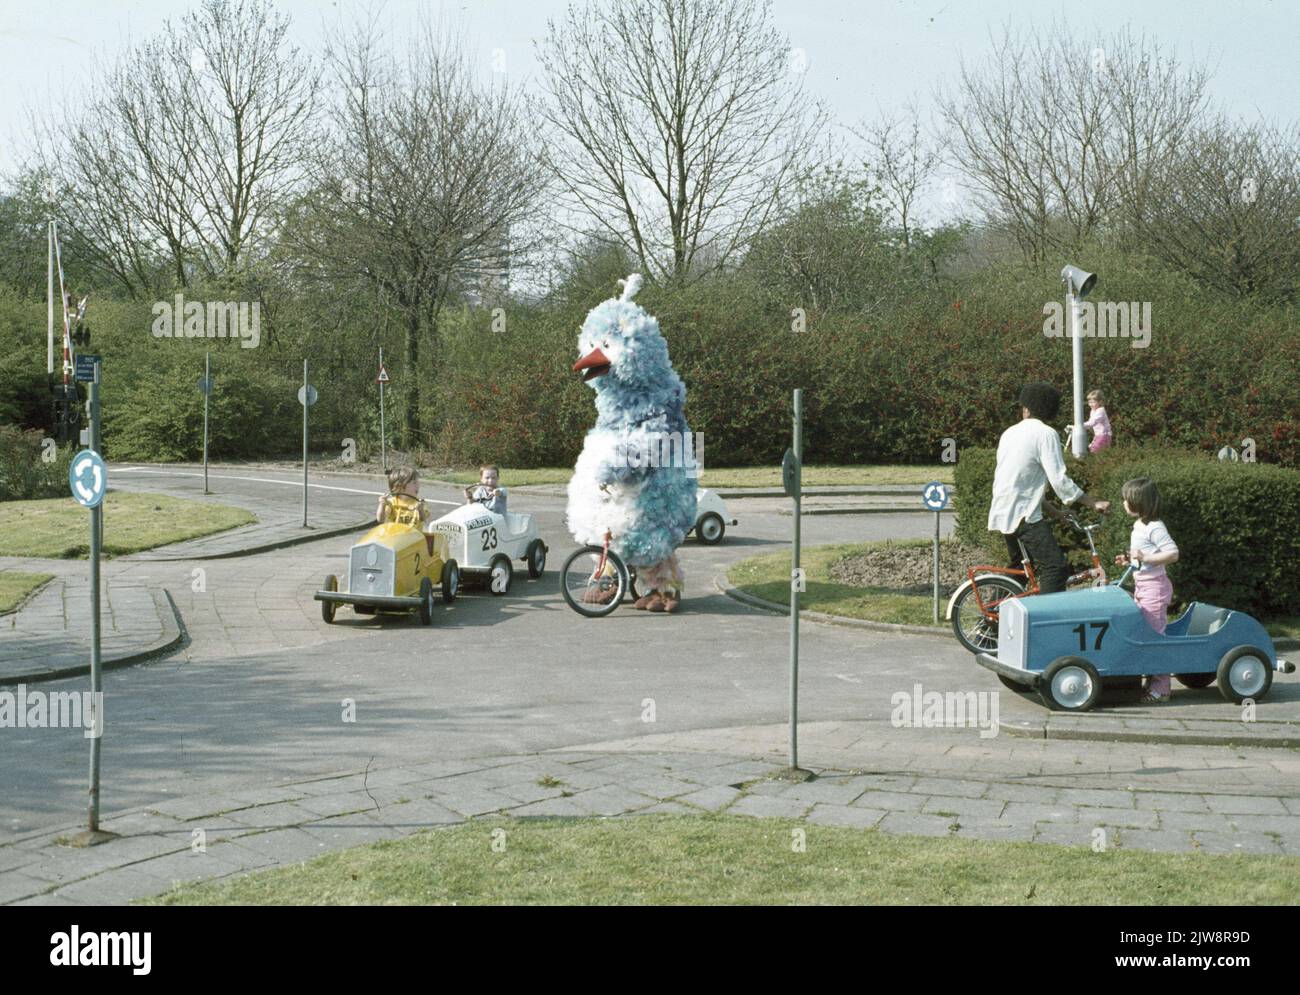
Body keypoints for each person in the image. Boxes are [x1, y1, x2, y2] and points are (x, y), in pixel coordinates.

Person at [988, 383, 1110, 593]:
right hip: (1023, 516)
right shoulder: (1046, 434)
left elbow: (1024, 485)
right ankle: (1046, 620)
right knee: (1056, 568)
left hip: (1004, 510)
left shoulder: (1009, 433)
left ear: (1027, 408)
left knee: (1019, 568)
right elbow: (1060, 480)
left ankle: (991, 622)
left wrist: (1058, 514)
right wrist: (1094, 502)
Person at [1114, 477, 1180, 703]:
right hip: (1143, 586)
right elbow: (1142, 559)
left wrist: (1147, 558)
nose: (1123, 503)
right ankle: (1151, 681)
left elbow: (1172, 553)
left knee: (1154, 637)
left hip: (1155, 588)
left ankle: (1162, 689)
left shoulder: (1155, 527)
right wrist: (1130, 561)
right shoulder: (1140, 525)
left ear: (1139, 502)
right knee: (1146, 634)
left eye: (1127, 500)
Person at [1084, 389, 1112, 453]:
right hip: (1098, 435)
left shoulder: (1100, 411)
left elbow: (1092, 422)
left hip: (1104, 435)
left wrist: (1079, 425)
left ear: (1100, 402)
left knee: (1093, 451)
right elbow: (1089, 424)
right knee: (1090, 449)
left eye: (1093, 402)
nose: (1091, 404)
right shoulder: (1093, 411)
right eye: (1089, 402)